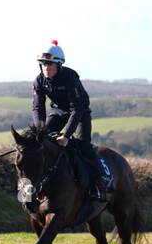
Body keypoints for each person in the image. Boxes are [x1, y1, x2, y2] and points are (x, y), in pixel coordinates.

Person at [31, 40, 103, 201]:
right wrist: (39, 130)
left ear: (59, 65)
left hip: (80, 112)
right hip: (58, 111)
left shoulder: (70, 78)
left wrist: (66, 136)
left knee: (84, 146)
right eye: (43, 65)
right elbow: (37, 108)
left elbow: (76, 109)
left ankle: (97, 185)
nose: (46, 68)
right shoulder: (39, 81)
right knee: (41, 142)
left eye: (49, 65)